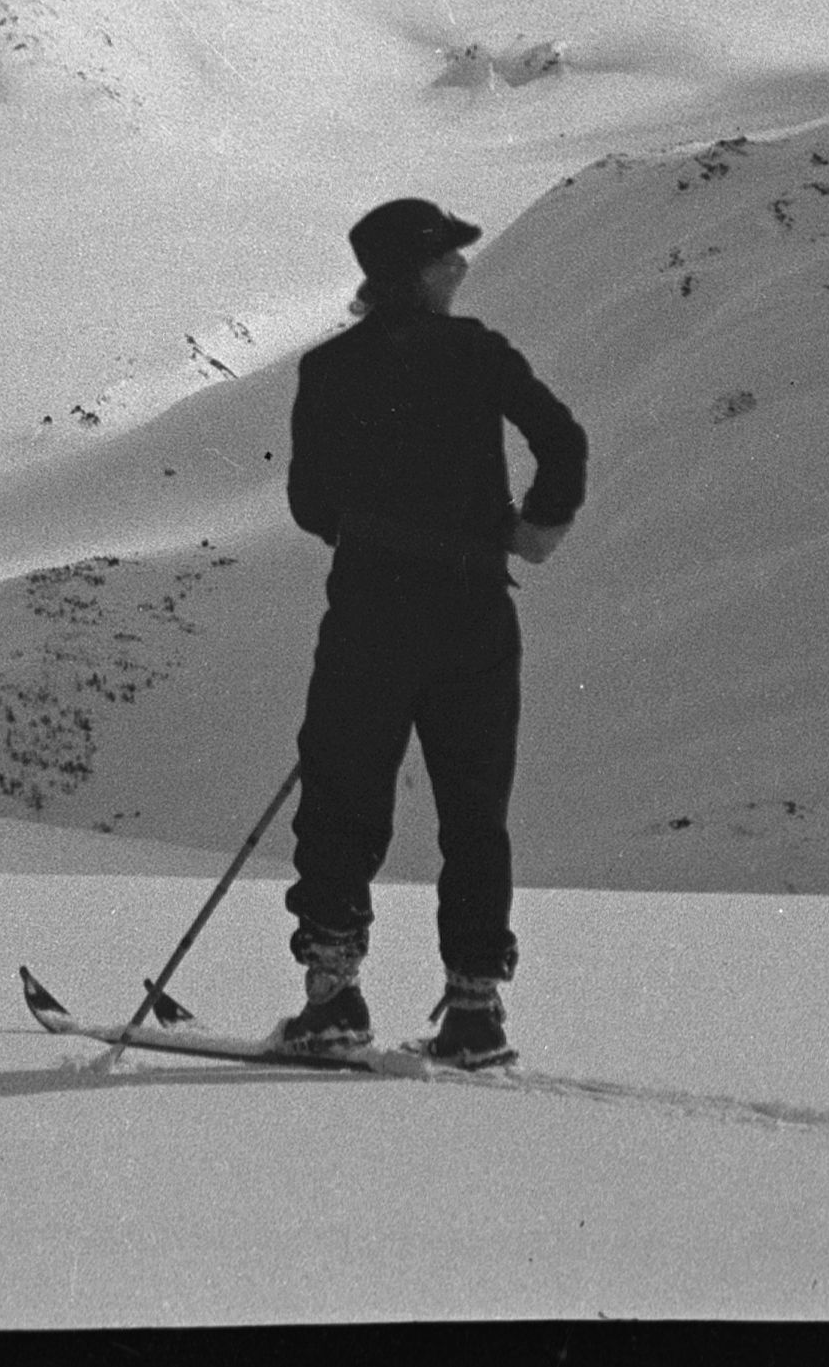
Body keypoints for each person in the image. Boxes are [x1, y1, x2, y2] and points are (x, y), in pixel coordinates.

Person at [264, 195, 589, 1071]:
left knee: (342, 797)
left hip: (371, 611)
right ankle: (475, 1011)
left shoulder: (328, 370)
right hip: (474, 611)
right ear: (422, 268)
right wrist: (532, 529)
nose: (461, 266)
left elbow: (307, 505)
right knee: (473, 811)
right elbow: (562, 440)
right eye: (449, 255)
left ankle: (331, 998)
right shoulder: (478, 352)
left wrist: (372, 533)